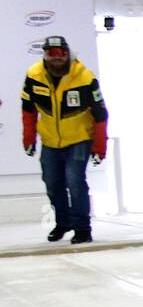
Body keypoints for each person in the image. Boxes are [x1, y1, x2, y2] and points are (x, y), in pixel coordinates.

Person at [21, 36, 107, 245]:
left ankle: (82, 229)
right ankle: (63, 222)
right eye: (52, 53)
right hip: (50, 141)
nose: (57, 58)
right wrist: (29, 138)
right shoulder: (33, 75)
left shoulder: (85, 78)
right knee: (52, 183)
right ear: (45, 55)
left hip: (79, 139)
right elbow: (28, 110)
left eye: (61, 53)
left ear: (68, 53)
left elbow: (100, 114)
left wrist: (99, 146)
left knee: (75, 182)